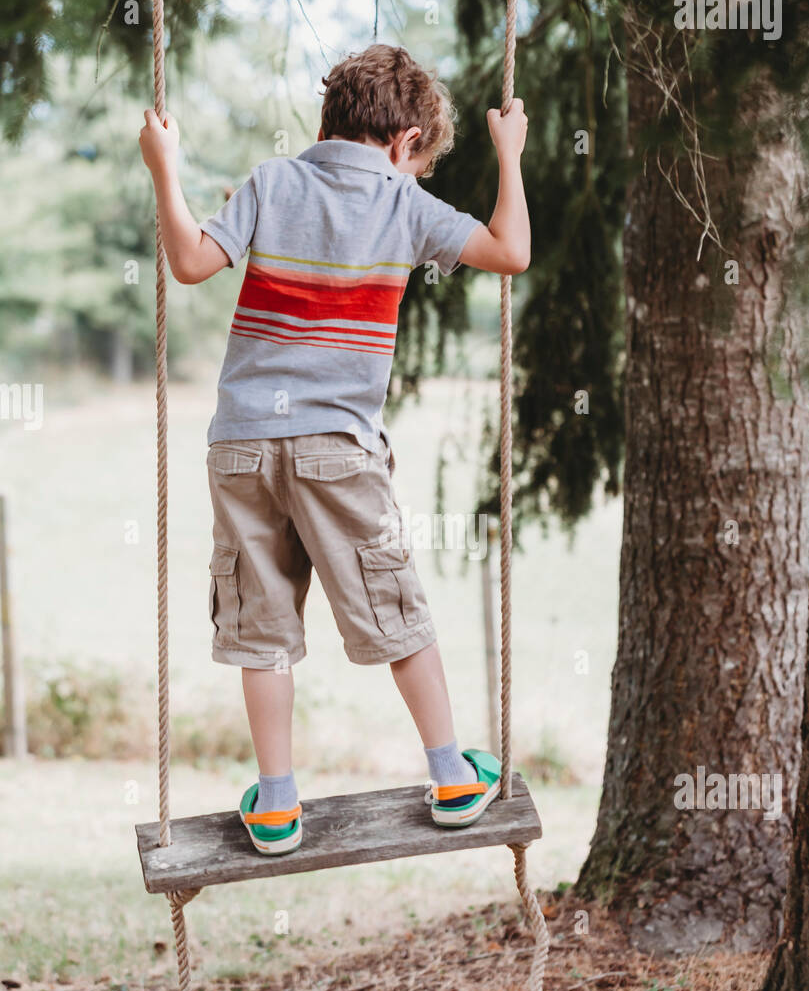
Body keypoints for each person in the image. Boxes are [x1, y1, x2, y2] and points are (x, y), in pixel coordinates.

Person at [138, 43, 529, 855]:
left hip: (241, 446)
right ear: (405, 140)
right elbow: (509, 251)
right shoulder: (402, 202)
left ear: (331, 118)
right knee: (394, 611)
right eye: (421, 161)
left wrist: (163, 167)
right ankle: (454, 777)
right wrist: (509, 154)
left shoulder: (271, 181)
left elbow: (186, 262)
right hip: (336, 450)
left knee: (261, 625)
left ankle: (276, 804)